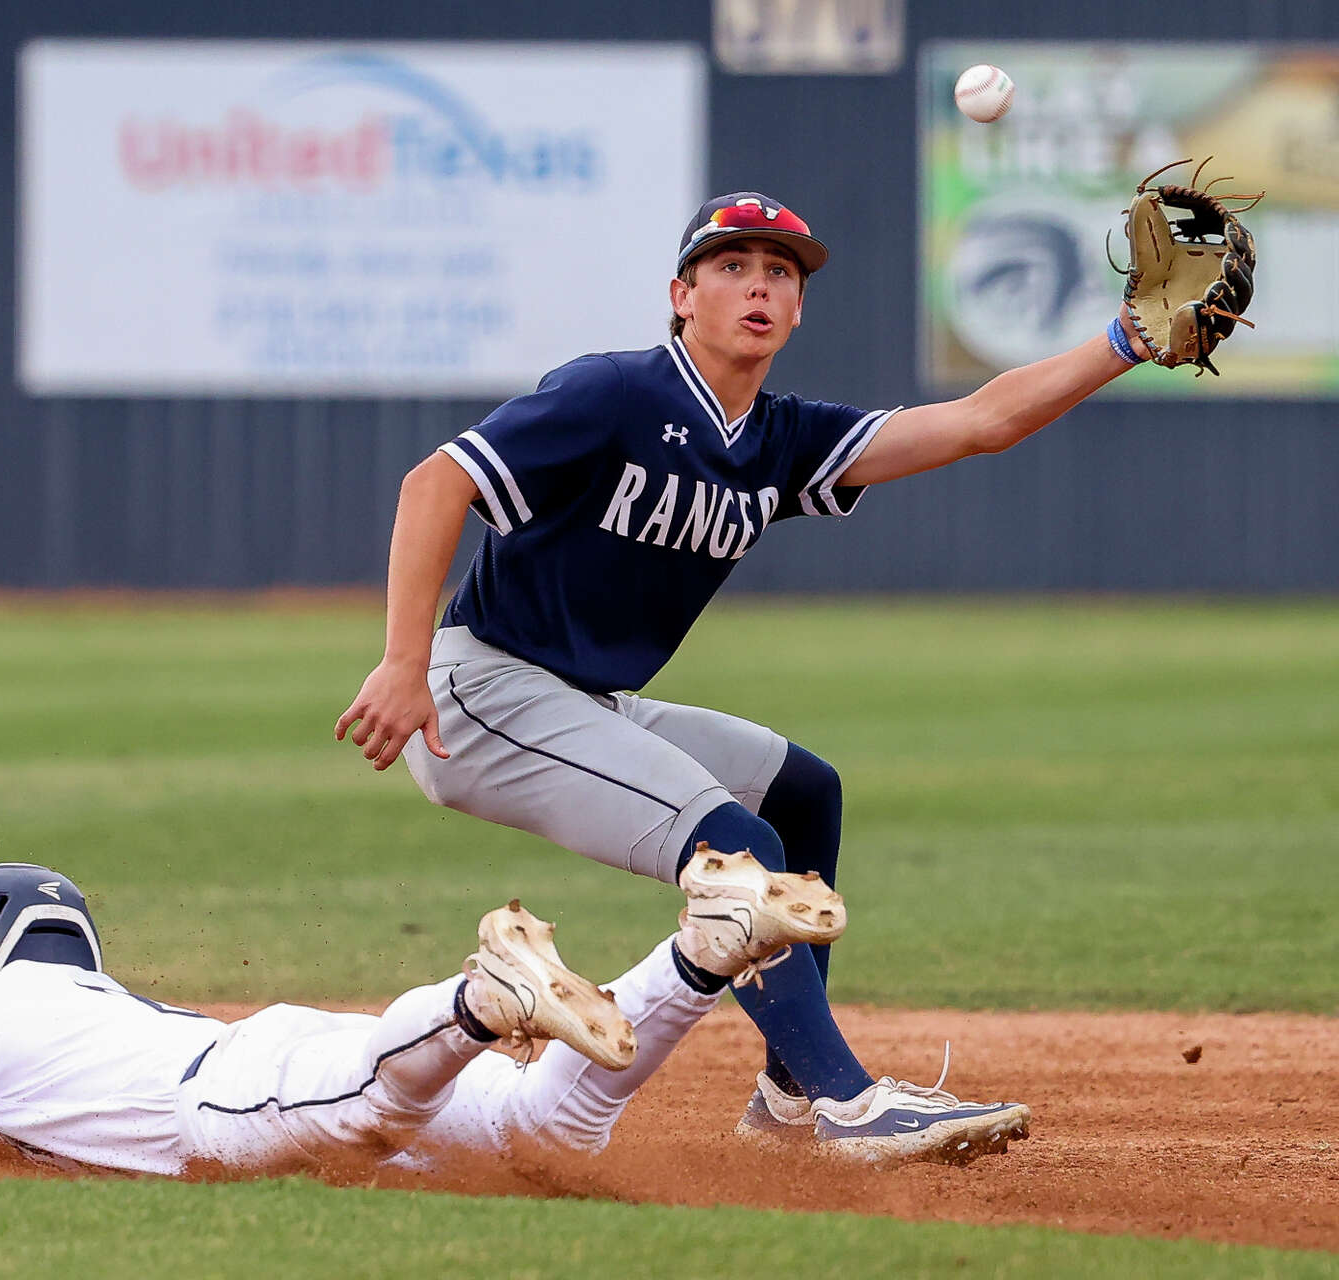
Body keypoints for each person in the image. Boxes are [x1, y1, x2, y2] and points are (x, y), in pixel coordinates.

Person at [334, 191, 1134, 1164]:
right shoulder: (615, 393)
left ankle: (791, 1098)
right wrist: (402, 663)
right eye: (732, 266)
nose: (759, 285)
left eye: (781, 273)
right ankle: (848, 1103)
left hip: (579, 699)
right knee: (738, 846)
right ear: (682, 294)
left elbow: (980, 421)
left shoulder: (778, 438)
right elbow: (437, 481)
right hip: (482, 694)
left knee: (802, 792)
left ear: (797, 310)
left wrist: (1126, 338)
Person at [0, 853, 845, 1172]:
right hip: (254, 1053)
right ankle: (701, 950)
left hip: (233, 1094)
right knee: (544, 1129)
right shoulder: (93, 999)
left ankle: (484, 995)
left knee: (368, 1105)